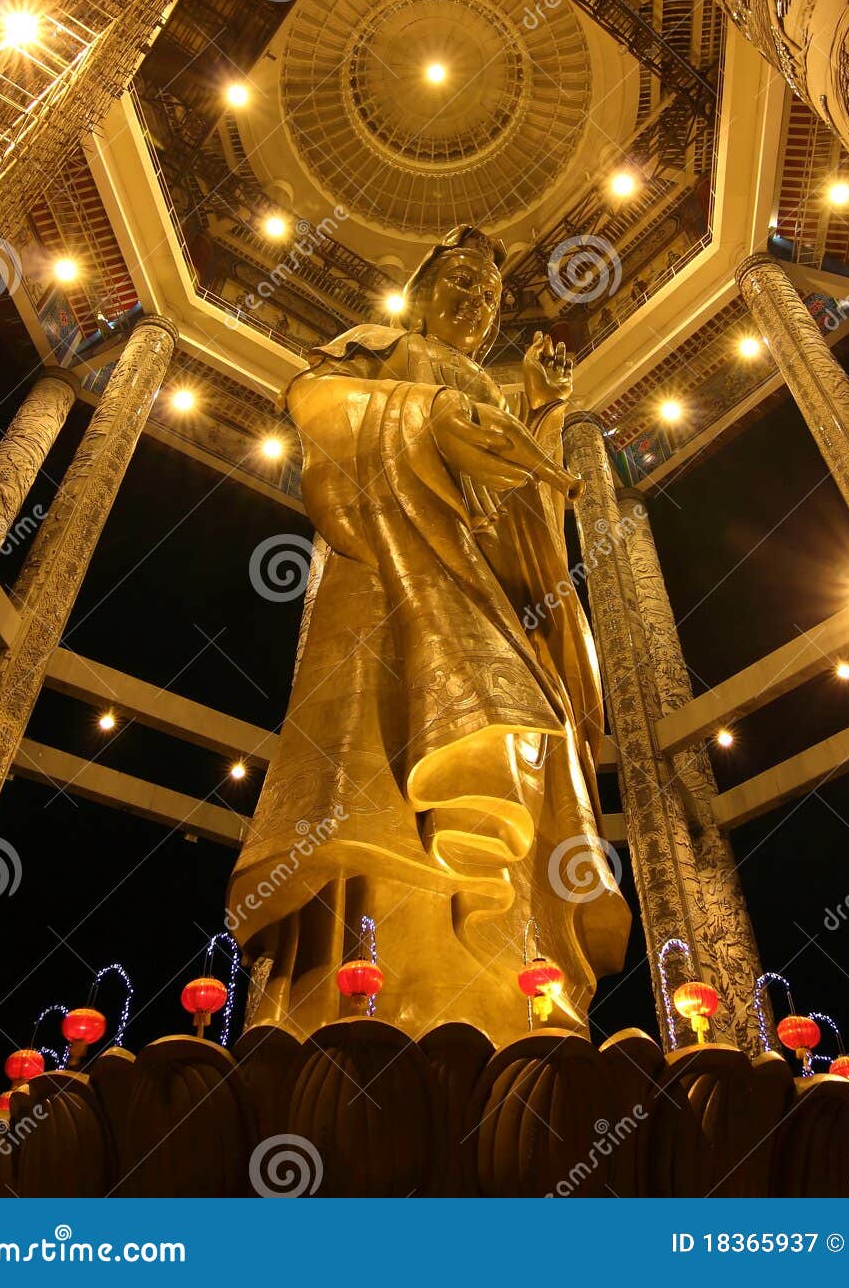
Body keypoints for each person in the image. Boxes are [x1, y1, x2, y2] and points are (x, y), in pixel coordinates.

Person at [228, 226, 628, 1044]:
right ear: (419, 291)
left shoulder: (493, 386)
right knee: (379, 769)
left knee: (528, 731)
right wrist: (429, 415)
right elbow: (316, 407)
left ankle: (513, 998)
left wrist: (542, 418)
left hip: (480, 586)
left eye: (488, 294)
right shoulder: (378, 349)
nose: (473, 301)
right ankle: (362, 1002)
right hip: (389, 580)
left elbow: (528, 515)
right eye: (457, 281)